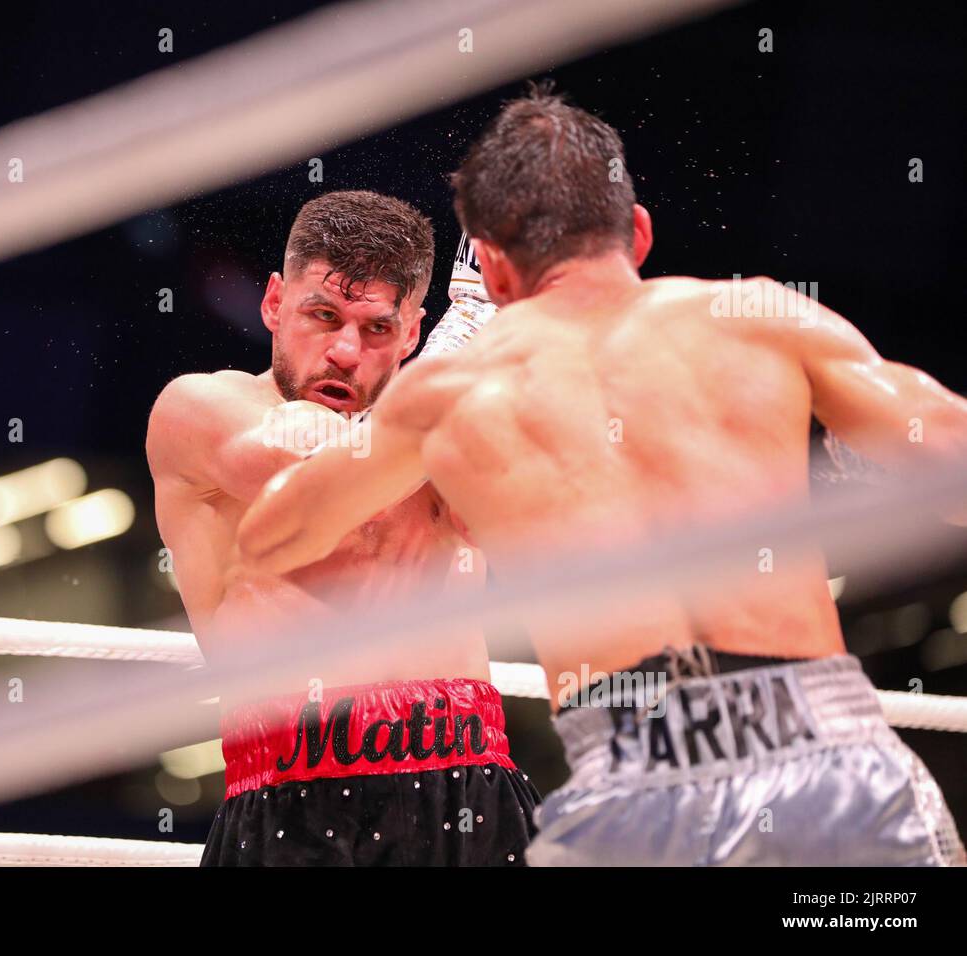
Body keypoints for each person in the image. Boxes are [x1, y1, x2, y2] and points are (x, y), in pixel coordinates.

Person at [238, 88, 967, 866]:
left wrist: (443, 361)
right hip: (833, 773)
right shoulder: (762, 318)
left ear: (490, 268)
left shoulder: (451, 393)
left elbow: (273, 535)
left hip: (633, 805)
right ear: (639, 232)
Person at [145, 189, 535, 865]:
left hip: (469, 784)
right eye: (323, 316)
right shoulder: (199, 409)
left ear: (412, 334)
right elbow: (333, 480)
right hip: (293, 794)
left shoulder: (446, 419)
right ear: (274, 303)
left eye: (378, 328)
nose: (347, 351)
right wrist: (469, 330)